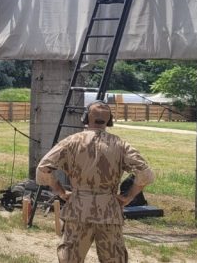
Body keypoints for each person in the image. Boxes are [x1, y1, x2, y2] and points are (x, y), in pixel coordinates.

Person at [37, 101, 155, 263]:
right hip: (109, 213)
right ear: (109, 120)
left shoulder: (71, 142)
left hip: (78, 211)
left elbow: (44, 168)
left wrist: (61, 192)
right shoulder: (120, 145)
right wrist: (128, 197)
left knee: (70, 259)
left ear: (85, 118)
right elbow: (145, 173)